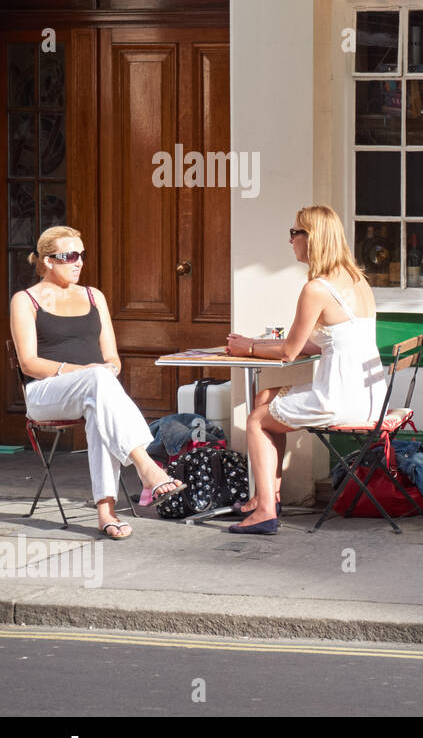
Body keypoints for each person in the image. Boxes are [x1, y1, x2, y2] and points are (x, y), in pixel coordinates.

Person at [10, 226, 185, 539]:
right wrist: (83, 371)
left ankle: (107, 512)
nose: (79, 262)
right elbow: (29, 363)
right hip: (45, 393)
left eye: (82, 255)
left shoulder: (94, 297)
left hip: (93, 391)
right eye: (70, 256)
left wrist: (104, 371)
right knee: (96, 380)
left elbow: (113, 358)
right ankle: (146, 465)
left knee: (100, 402)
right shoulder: (25, 300)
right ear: (49, 261)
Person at [225, 206, 385, 536]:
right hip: (370, 397)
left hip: (339, 400)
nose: (290, 240)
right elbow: (325, 343)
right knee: (265, 397)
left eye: (294, 232)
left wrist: (249, 348)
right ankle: (268, 495)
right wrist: (254, 343)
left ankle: (266, 511)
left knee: (256, 419)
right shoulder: (357, 281)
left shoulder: (316, 289)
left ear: (311, 239)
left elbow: (289, 351)